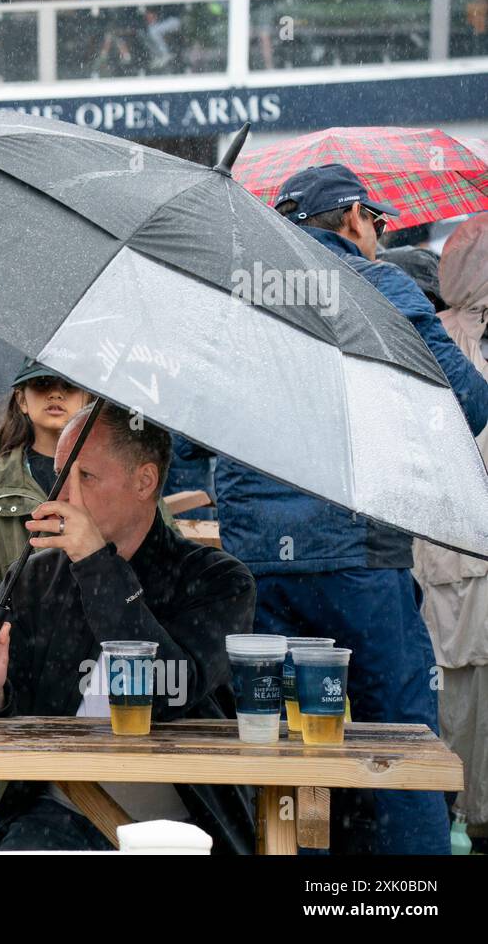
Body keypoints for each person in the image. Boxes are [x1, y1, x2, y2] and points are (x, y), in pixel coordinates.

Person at [181, 164, 488, 855]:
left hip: (259, 563)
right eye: (377, 220)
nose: (379, 232)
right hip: (360, 558)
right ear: (353, 217)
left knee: (280, 750)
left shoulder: (234, 301)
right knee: (398, 745)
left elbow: (185, 435)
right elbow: (467, 403)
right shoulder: (381, 286)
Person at [0, 402, 257, 852]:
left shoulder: (218, 580)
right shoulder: (37, 576)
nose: (64, 496)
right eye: (59, 476)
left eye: (86, 477)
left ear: (144, 482)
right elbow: (5, 738)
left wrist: (97, 565)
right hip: (56, 817)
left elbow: (167, 692)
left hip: (183, 819)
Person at [416, 215, 488, 848]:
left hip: (448, 551)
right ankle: (457, 814)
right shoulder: (443, 343)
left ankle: (458, 814)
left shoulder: (435, 339)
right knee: (455, 687)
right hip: (452, 553)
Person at [0, 359, 90, 635]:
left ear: (88, 398)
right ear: (21, 400)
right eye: (42, 383)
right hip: (20, 654)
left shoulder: (121, 481)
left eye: (68, 385)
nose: (56, 393)